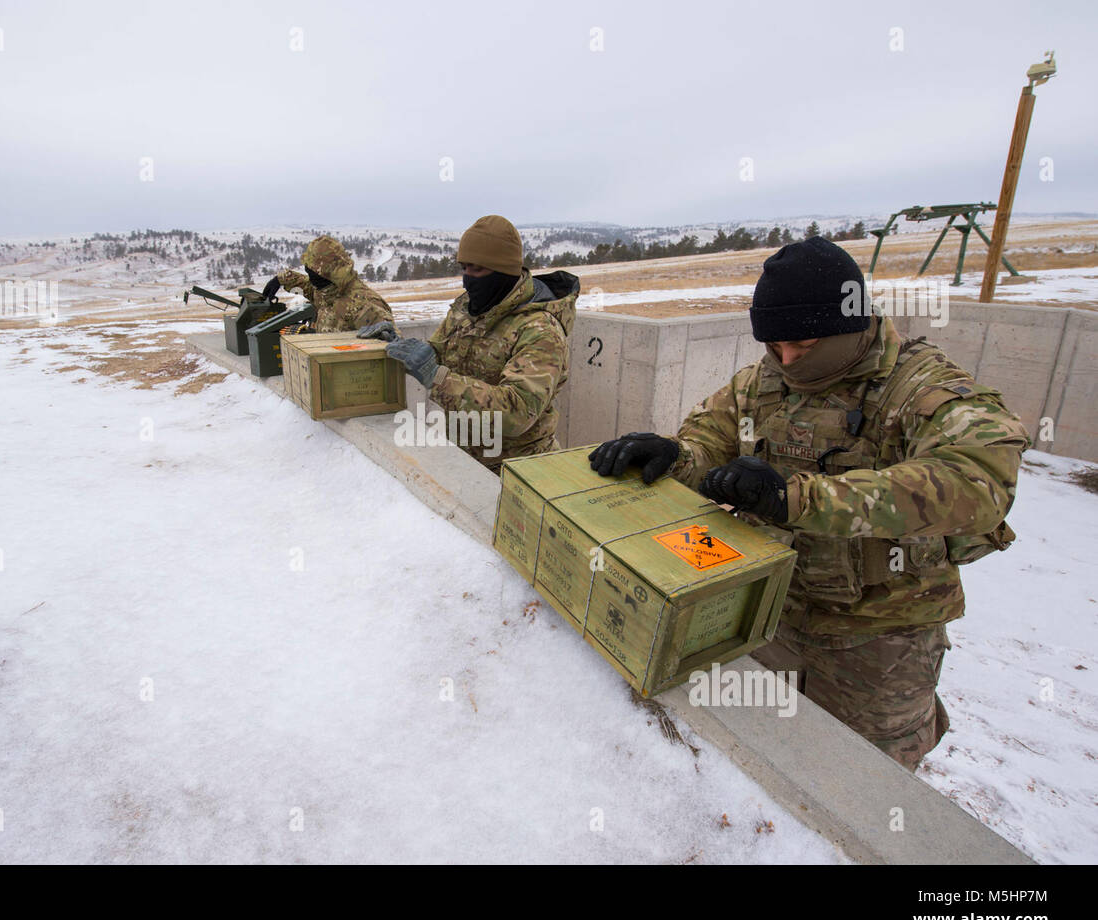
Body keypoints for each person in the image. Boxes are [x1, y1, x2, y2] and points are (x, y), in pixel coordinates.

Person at [588, 236, 1029, 771]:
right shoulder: (763, 381)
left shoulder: (921, 388)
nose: (788, 359)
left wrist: (792, 498)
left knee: (866, 783)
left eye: (804, 344)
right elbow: (709, 443)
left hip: (879, 640)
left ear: (851, 323)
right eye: (775, 346)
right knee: (767, 766)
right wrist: (672, 456)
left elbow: (978, 482)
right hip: (770, 610)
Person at [358, 214, 579, 471]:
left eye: (477, 269)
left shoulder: (540, 330)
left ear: (504, 271)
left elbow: (517, 413)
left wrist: (436, 377)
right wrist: (402, 346)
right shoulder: (467, 307)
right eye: (464, 267)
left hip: (518, 470)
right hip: (464, 458)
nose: (468, 278)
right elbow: (439, 353)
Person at [263, 235, 393, 333]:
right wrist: (281, 279)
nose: (311, 278)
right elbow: (306, 286)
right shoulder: (325, 291)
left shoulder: (364, 305)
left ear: (327, 274)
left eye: (313, 273)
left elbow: (391, 346)